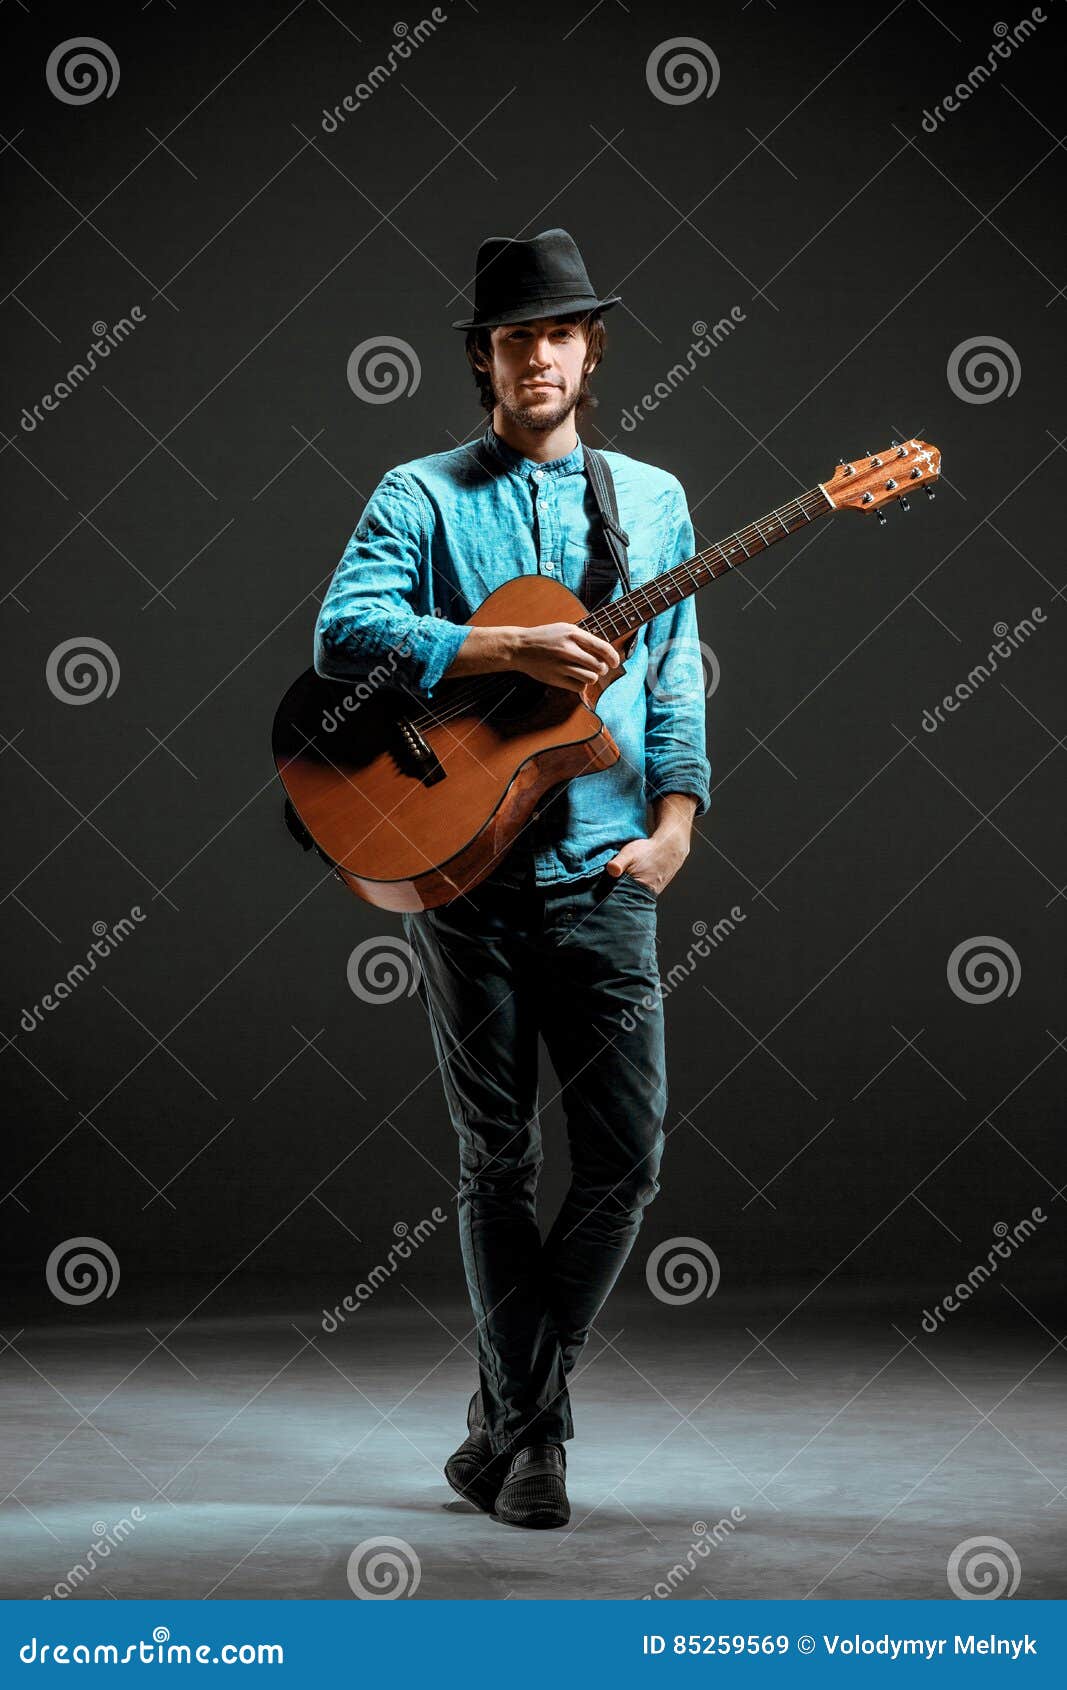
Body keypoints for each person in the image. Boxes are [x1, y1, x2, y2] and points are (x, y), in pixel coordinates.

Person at [314, 228, 710, 1528]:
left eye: (560, 333)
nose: (537, 355)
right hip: (463, 874)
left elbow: (676, 671)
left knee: (627, 1160)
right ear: (481, 357)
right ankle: (537, 1441)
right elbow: (345, 630)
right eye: (513, 336)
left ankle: (501, 1421)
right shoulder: (418, 494)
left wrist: (678, 816)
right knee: (496, 1159)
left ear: (591, 351)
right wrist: (486, 638)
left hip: (608, 870)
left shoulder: (649, 500)